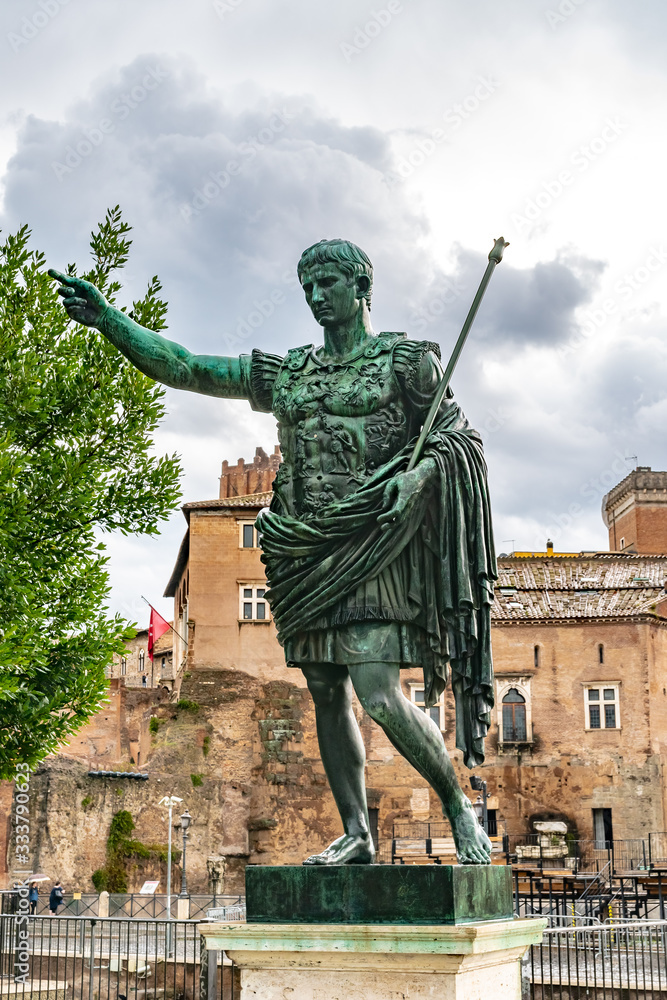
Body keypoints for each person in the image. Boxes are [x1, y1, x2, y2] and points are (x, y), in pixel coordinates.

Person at [49, 238, 496, 865]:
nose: (315, 297)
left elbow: (458, 439)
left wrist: (418, 478)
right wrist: (111, 322)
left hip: (372, 541)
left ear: (361, 285)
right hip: (302, 551)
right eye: (306, 286)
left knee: (376, 688)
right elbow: (187, 366)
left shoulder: (405, 362)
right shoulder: (287, 372)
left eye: (327, 282)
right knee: (324, 688)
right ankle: (358, 834)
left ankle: (457, 807)